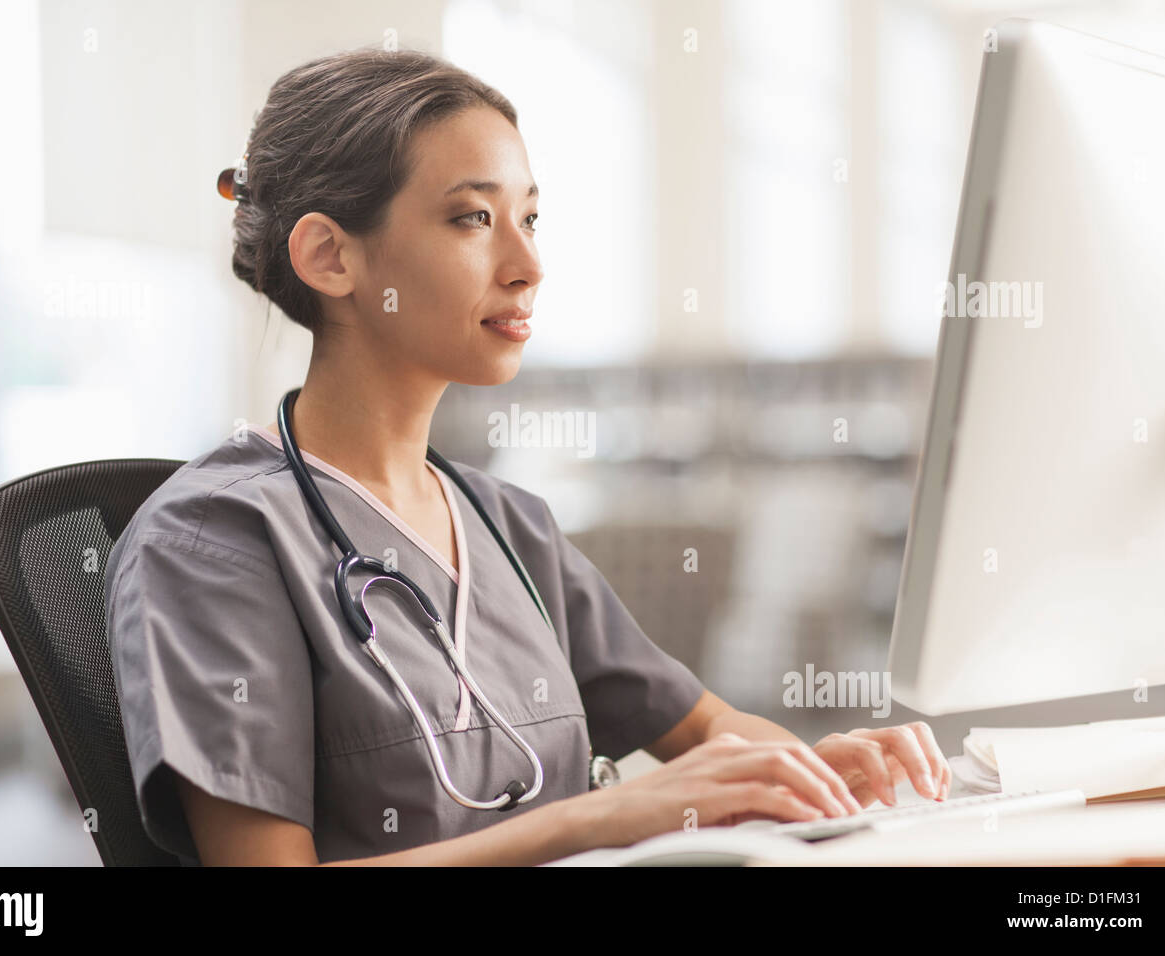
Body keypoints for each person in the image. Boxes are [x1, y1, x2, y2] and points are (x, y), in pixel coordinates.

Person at [104, 45, 950, 867]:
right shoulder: (214, 542)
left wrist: (827, 771)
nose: (528, 265)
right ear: (331, 256)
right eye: (474, 217)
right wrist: (594, 820)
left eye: (531, 219)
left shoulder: (508, 525)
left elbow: (711, 730)